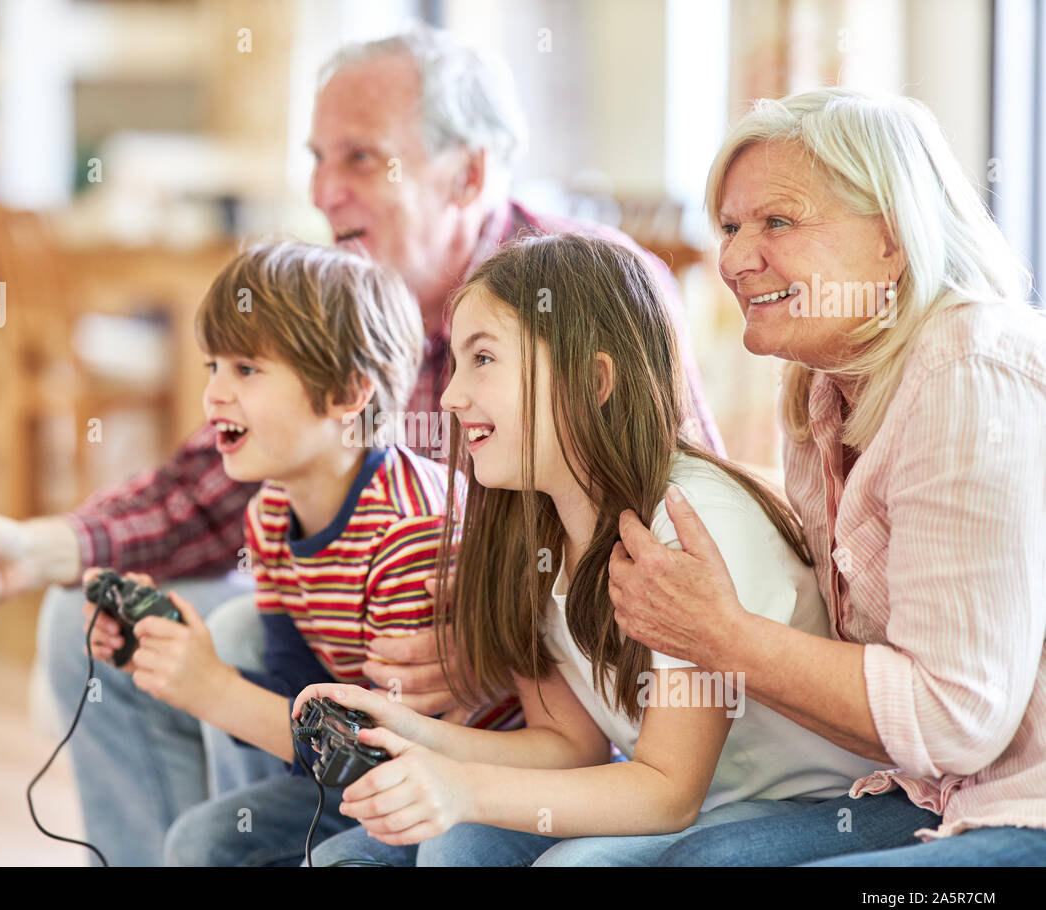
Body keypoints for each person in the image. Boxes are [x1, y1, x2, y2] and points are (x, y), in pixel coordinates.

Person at [0, 23, 722, 866]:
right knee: (85, 616)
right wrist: (38, 546)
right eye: (317, 158)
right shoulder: (340, 299)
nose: (325, 191)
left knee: (235, 648)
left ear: (468, 172)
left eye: (362, 158)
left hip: (532, 698)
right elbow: (211, 483)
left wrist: (497, 632)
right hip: (375, 658)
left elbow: (672, 504)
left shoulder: (587, 289)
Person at [295, 233, 880, 867]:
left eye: (483, 358)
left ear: (591, 380)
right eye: (457, 363)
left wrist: (462, 787)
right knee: (424, 846)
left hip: (822, 806)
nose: (450, 396)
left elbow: (668, 792)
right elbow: (568, 745)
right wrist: (405, 731)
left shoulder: (690, 524)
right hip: (689, 800)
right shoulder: (530, 528)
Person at [598, 88, 1046, 866]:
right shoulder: (817, 387)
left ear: (892, 239)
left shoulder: (970, 366)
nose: (735, 259)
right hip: (923, 790)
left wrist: (723, 637)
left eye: (778, 222)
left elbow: (957, 716)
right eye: (732, 227)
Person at [83, 240, 520, 866]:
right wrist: (174, 655)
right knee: (201, 844)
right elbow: (298, 690)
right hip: (370, 778)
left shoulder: (406, 531)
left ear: (348, 393)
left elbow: (381, 756)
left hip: (451, 791)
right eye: (212, 367)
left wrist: (213, 691)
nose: (213, 397)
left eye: (247, 370)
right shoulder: (270, 516)